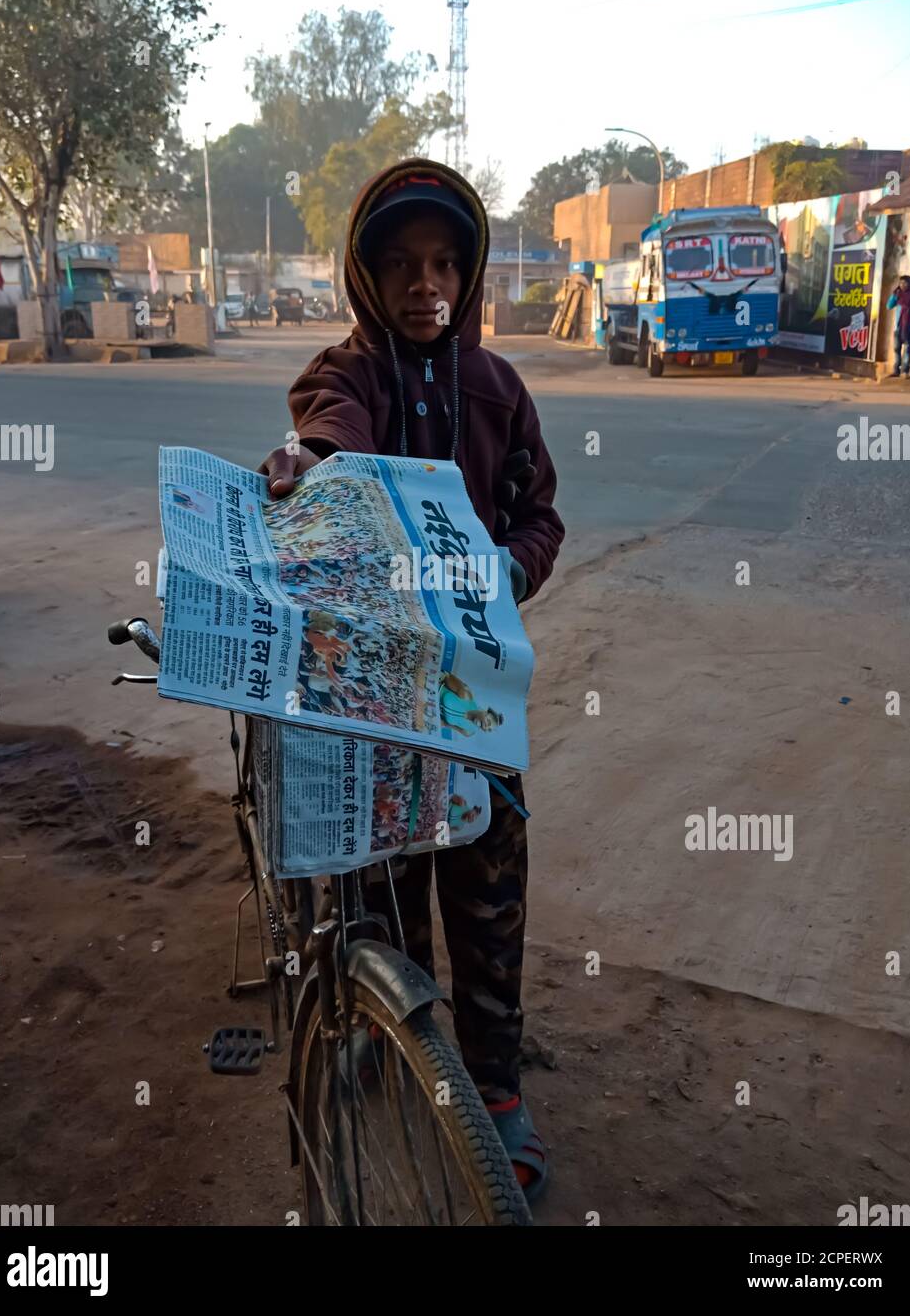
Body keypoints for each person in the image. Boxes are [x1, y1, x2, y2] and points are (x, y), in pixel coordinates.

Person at [258, 159, 564, 1203]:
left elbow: (540, 514)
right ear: (365, 276)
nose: (424, 285)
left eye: (444, 264)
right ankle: (393, 1028)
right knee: (380, 884)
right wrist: (305, 458)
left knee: (488, 889)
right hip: (371, 692)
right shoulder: (346, 372)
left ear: (469, 276)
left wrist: (507, 567)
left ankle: (494, 1082)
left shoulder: (498, 389)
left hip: (474, 686)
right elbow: (324, 429)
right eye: (400, 266)